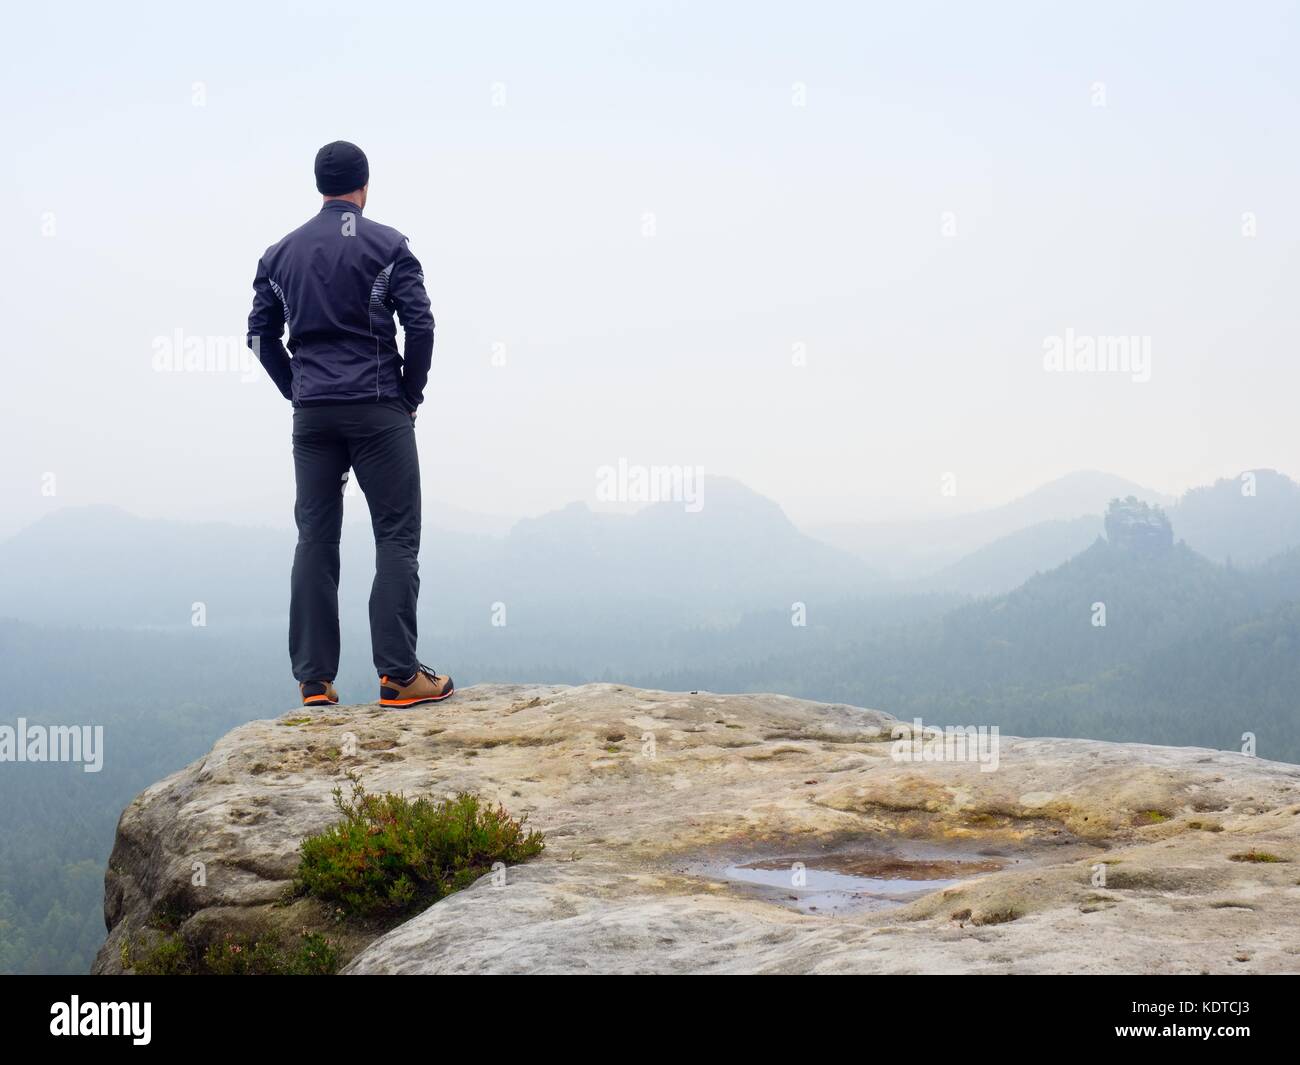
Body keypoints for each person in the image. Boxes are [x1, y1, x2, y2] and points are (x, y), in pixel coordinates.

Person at [246, 140, 454, 709]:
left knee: (315, 537)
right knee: (396, 535)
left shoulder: (279, 254)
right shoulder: (388, 245)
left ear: (320, 187)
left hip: (313, 415)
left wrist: (299, 391)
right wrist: (410, 393)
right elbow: (421, 323)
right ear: (364, 186)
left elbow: (261, 335)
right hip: (378, 407)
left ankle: (315, 681)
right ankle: (399, 676)